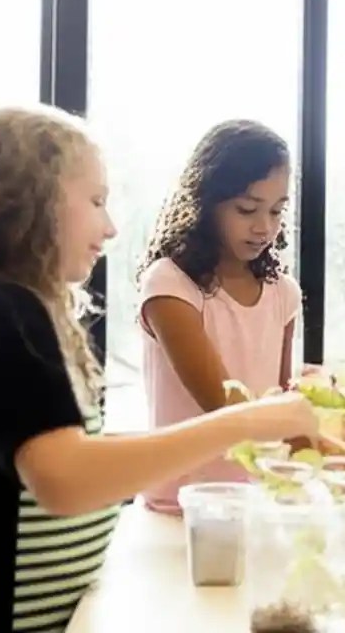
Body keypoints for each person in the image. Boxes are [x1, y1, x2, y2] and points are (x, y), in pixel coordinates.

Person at [0, 107, 317, 632]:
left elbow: (61, 455)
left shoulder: (21, 311)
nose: (111, 226)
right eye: (96, 201)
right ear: (28, 205)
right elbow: (65, 479)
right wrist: (253, 421)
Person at [135, 120, 304, 513]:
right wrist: (307, 418)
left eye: (277, 210)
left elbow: (282, 397)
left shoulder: (283, 292)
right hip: (179, 506)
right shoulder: (170, 286)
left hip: (257, 502)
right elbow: (224, 405)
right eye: (247, 209)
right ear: (207, 202)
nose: (264, 227)